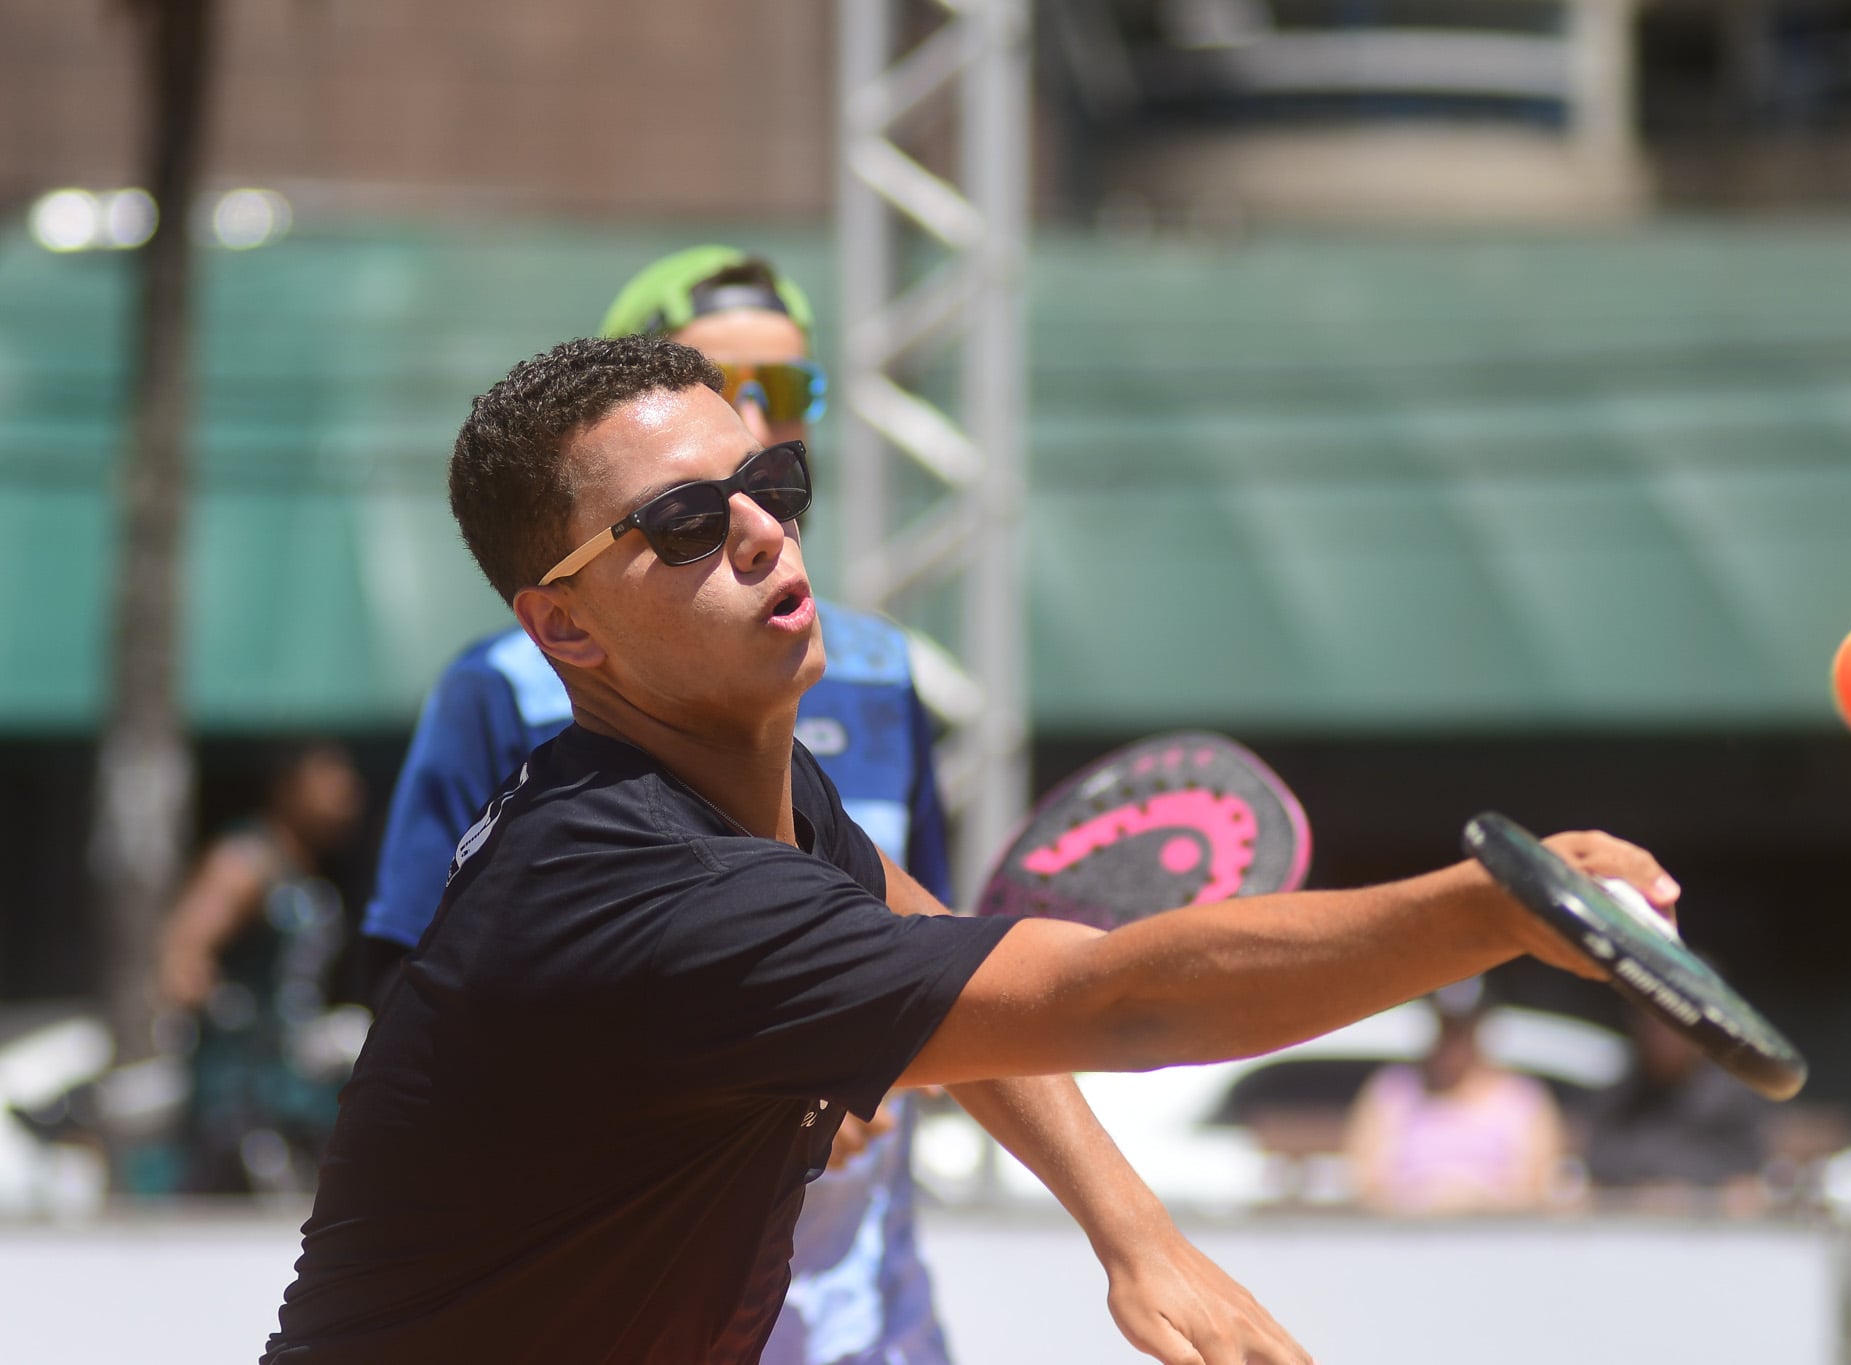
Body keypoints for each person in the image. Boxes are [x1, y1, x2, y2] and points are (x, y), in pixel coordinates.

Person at [266, 335, 1680, 1363]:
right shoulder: (635, 887)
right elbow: (1118, 996)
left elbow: (931, 929)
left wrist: (1134, 1233)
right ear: (563, 627)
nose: (761, 528)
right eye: (686, 523)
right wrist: (1498, 907)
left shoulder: (744, 794)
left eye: (771, 479)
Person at [355, 248, 1250, 1365]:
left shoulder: (867, 668)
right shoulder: (503, 690)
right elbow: (424, 1004)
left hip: (857, 1301)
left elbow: (931, 957)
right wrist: (726, 1085)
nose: (765, 433)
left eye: (789, 397)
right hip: (628, 1287)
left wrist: (1128, 1231)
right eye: (734, 393)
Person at [156, 742, 365, 1193]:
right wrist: (229, 1013)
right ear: (287, 789)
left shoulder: (311, 870)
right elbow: (183, 953)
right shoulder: (245, 862)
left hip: (297, 1087)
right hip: (242, 1093)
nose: (346, 798)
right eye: (329, 784)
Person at [1342, 980, 1565, 1214]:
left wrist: (1475, 1201)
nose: (1454, 1039)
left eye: (1463, 1028)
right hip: (1406, 1235)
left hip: (1497, 1236)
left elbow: (1538, 1187)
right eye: (1447, 1026)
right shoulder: (1394, 1089)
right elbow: (1364, 1179)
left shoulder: (1521, 1097)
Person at [1581, 1006, 1771, 1209]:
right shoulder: (1618, 1099)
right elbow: (1599, 1173)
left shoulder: (1731, 1100)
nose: (1661, 1037)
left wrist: (1687, 1195)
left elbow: (1746, 1180)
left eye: (1672, 1027)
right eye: (1652, 1025)